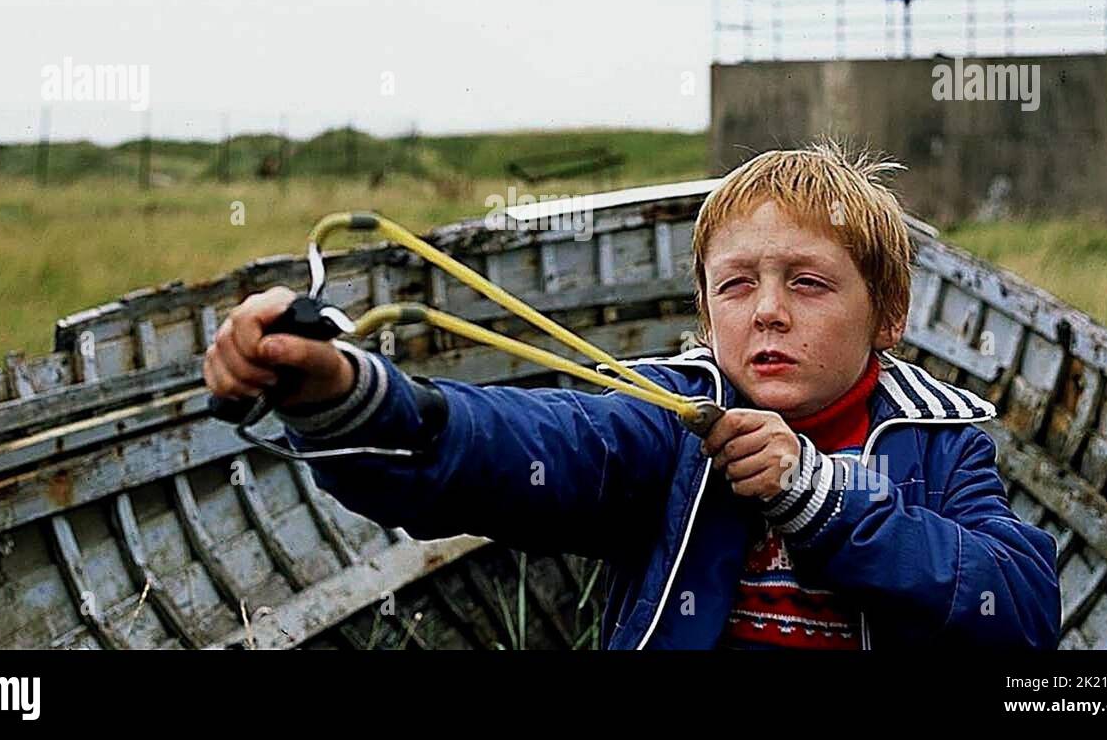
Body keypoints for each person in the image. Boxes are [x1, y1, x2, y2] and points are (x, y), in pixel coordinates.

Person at [202, 141, 1061, 649]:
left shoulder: (938, 439)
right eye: (735, 286)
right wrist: (356, 394)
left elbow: (1021, 608)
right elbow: (527, 443)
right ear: (704, 311)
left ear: (889, 314)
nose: (766, 309)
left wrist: (820, 497)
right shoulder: (668, 424)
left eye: (807, 282)